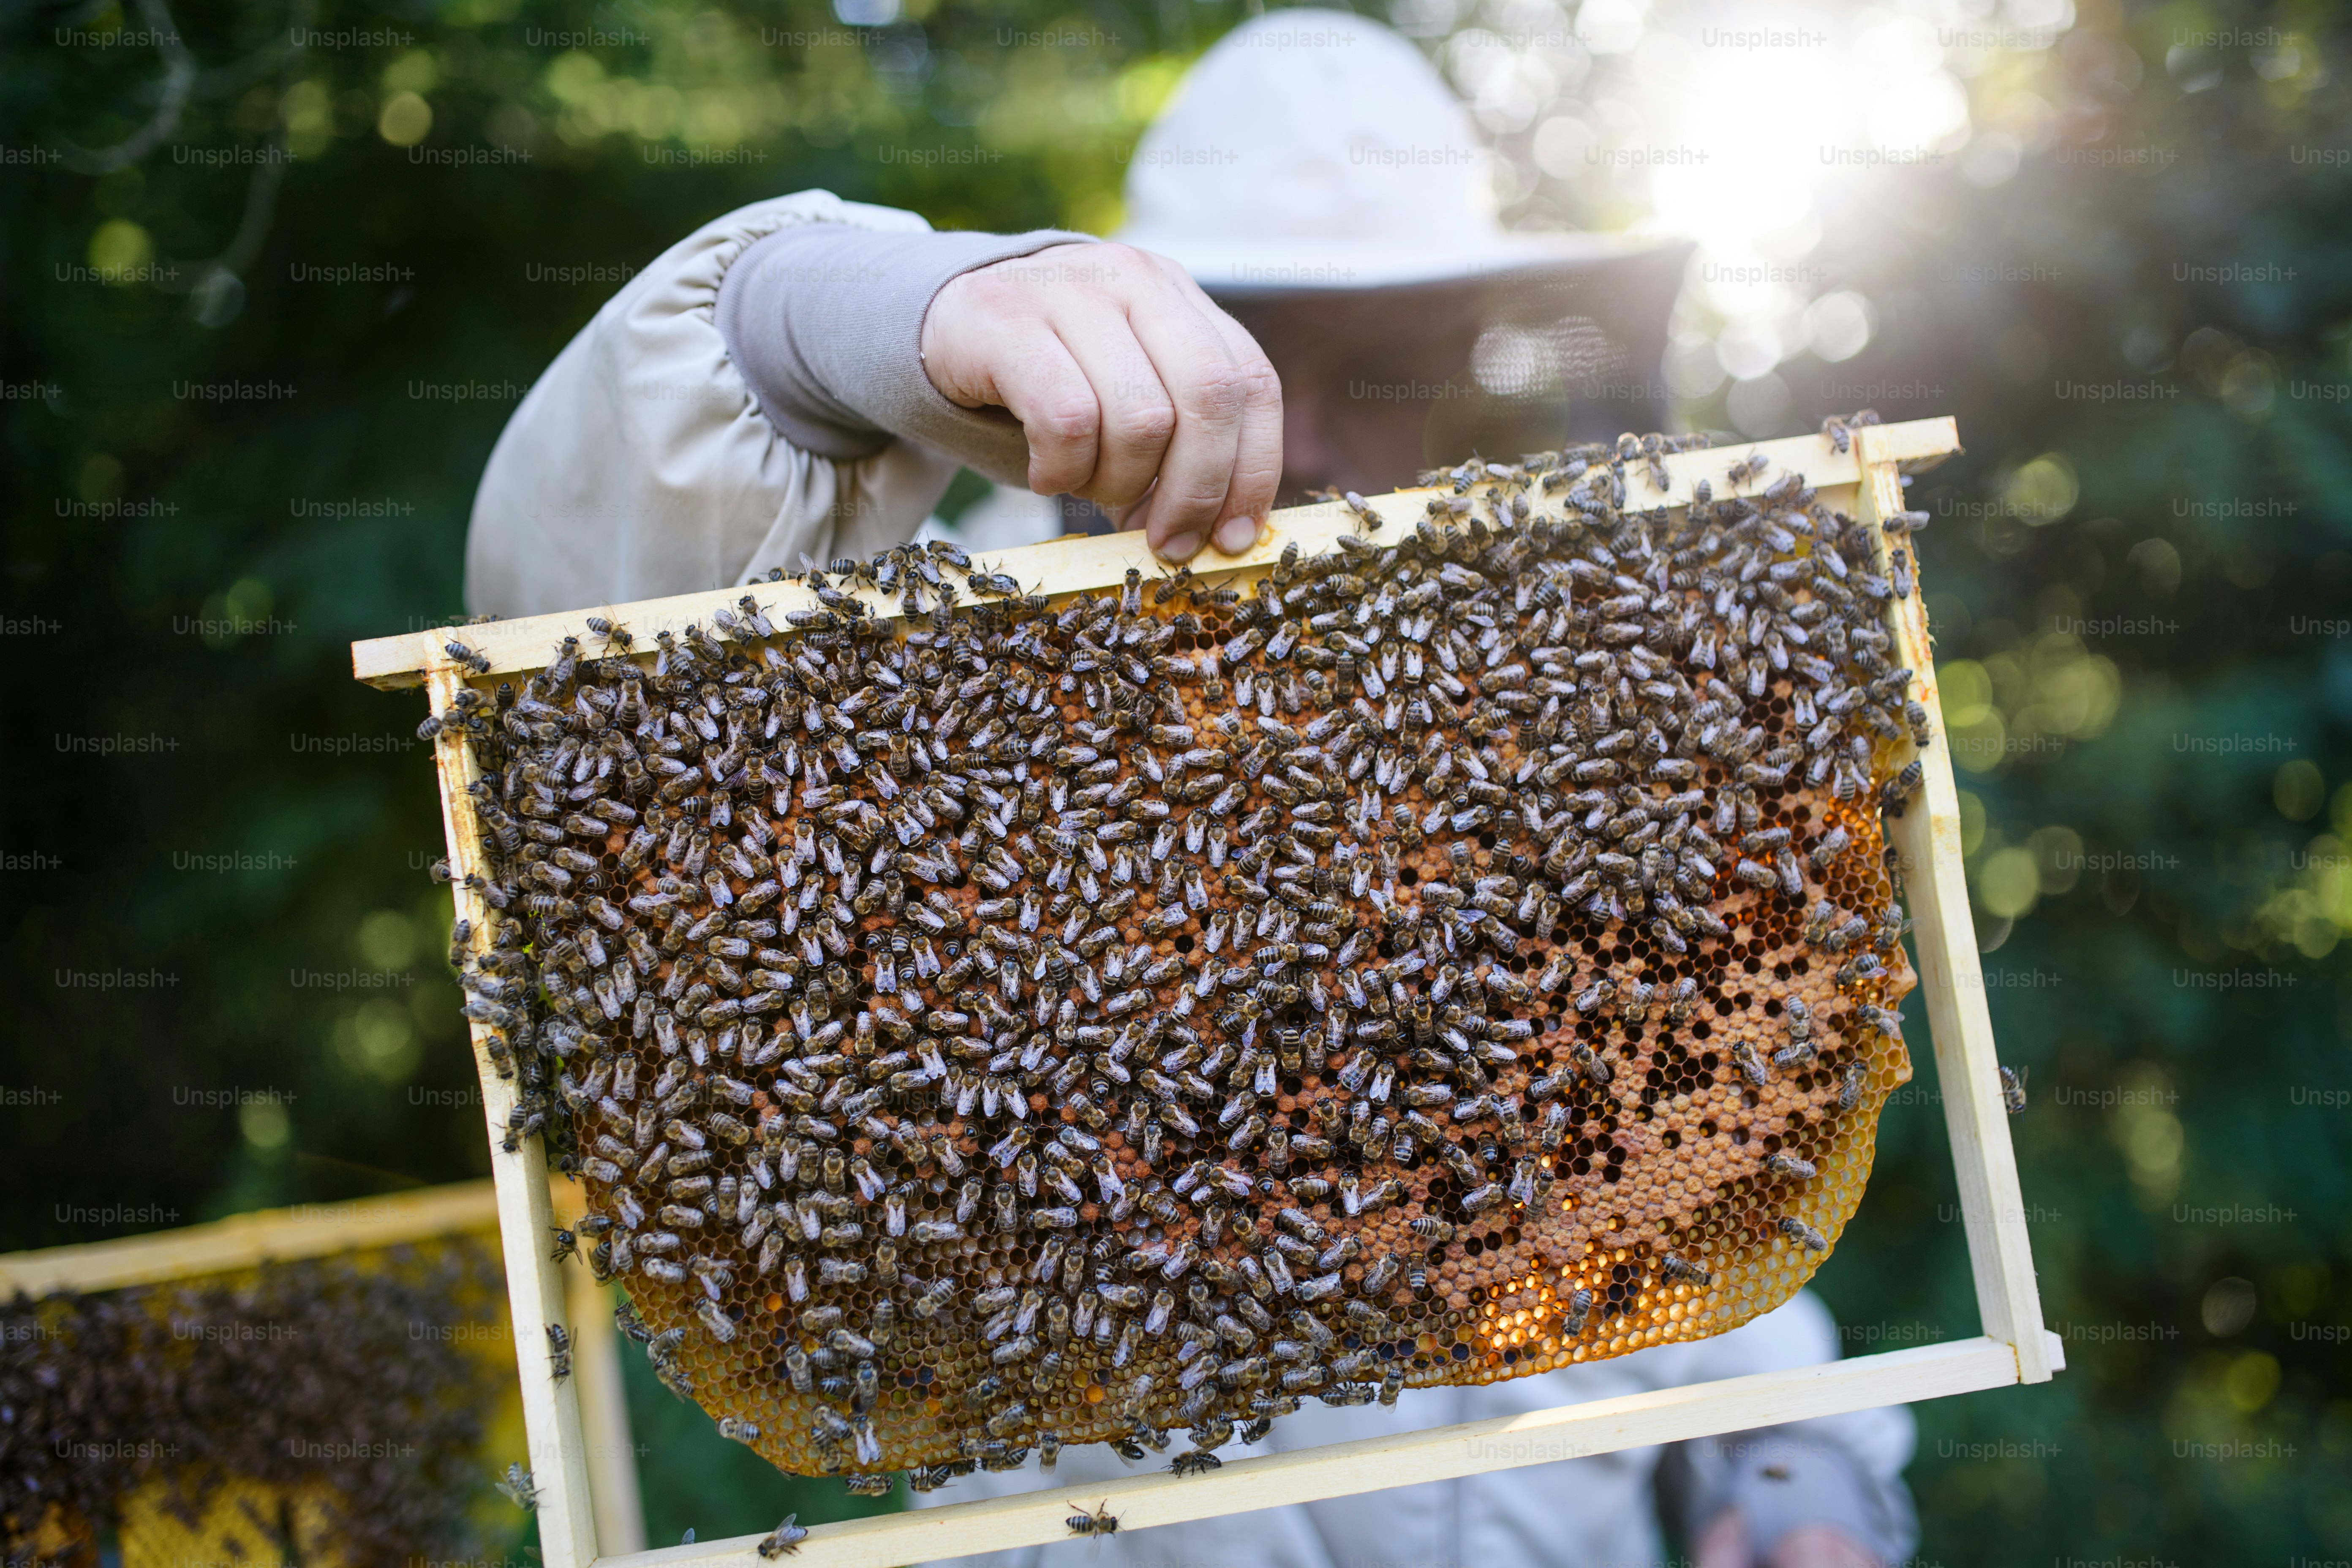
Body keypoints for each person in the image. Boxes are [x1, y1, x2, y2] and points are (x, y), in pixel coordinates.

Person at [464, 12, 1921, 1566]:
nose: (1312, 439)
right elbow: (570, 660)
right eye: (1256, 356)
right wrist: (819, 324)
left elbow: (1691, 1160)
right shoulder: (926, 700)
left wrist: (1791, 1479)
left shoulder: (1527, 741)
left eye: (1387, 374)